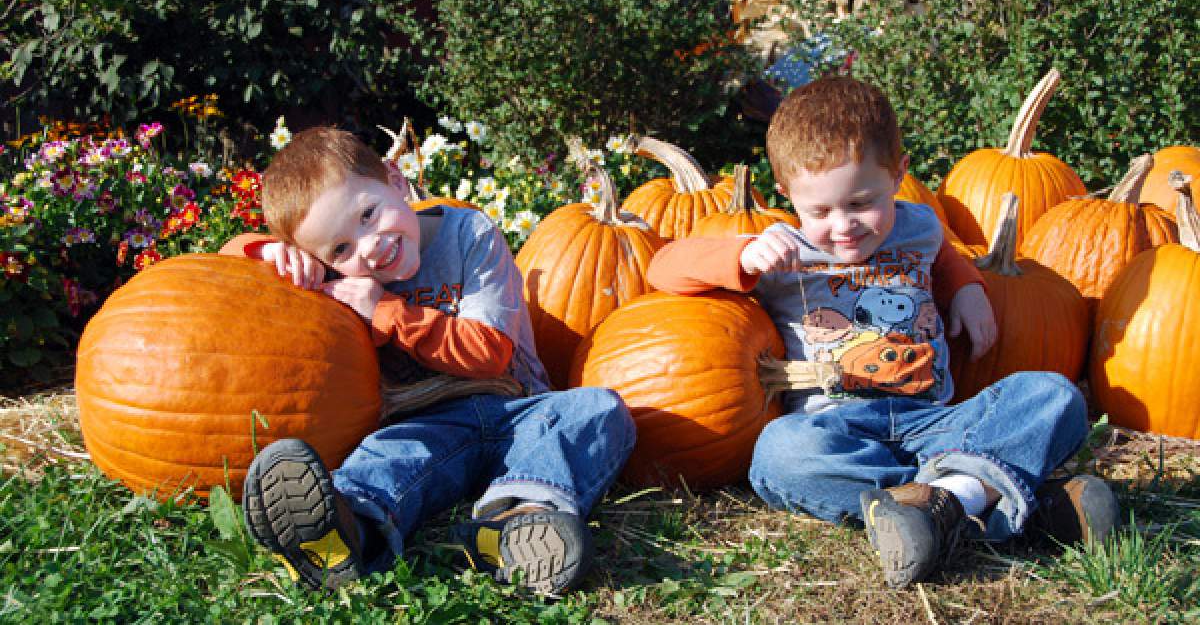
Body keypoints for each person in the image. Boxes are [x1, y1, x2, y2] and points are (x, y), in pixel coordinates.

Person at [646, 76, 1119, 588]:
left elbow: (942, 256)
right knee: (780, 455)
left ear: (898, 174)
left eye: (861, 202)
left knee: (1053, 394)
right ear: (787, 193)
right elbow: (663, 268)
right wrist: (737, 256)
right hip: (838, 431)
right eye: (820, 211)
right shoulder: (779, 248)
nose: (843, 225)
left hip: (936, 423)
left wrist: (967, 288)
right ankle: (982, 497)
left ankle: (940, 504)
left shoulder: (919, 226)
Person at [219, 126, 635, 594]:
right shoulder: (342, 280)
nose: (369, 246)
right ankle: (343, 534)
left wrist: (384, 310)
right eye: (340, 249)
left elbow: (490, 353)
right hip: (424, 424)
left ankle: (515, 524)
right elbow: (231, 271)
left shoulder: (469, 235)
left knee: (598, 410)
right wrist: (267, 252)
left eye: (369, 214)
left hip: (520, 409)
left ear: (396, 181)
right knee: (385, 460)